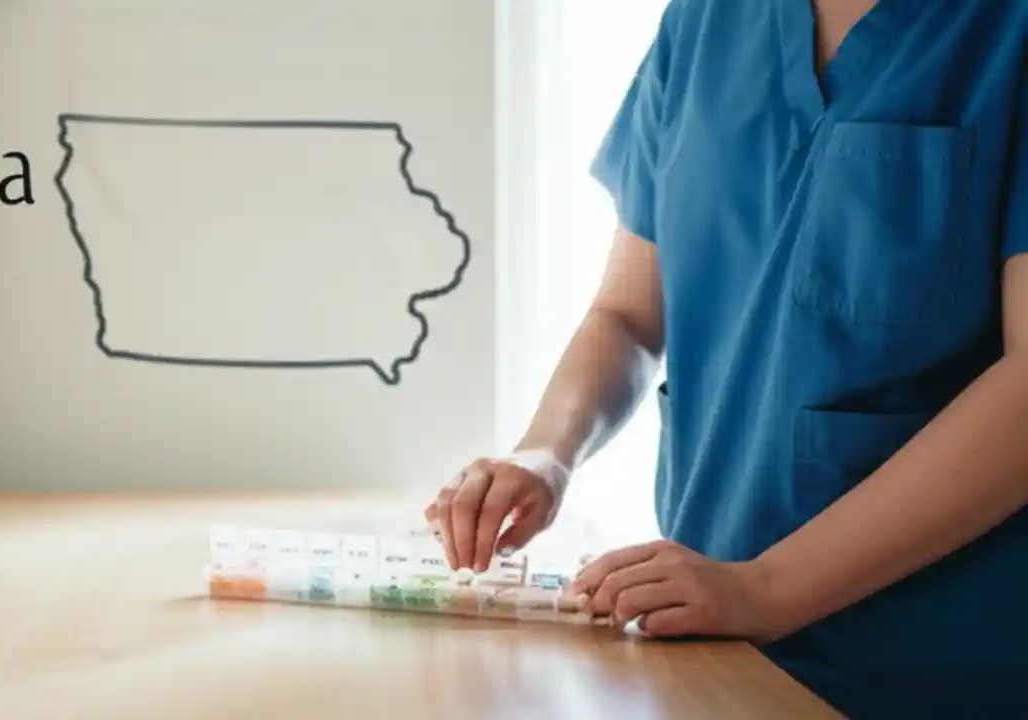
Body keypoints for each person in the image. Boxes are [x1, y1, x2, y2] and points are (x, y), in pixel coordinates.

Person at [425, 1, 1028, 716]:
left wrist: (766, 589)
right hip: (715, 656)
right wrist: (544, 456)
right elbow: (628, 316)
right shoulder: (706, 21)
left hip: (936, 672)